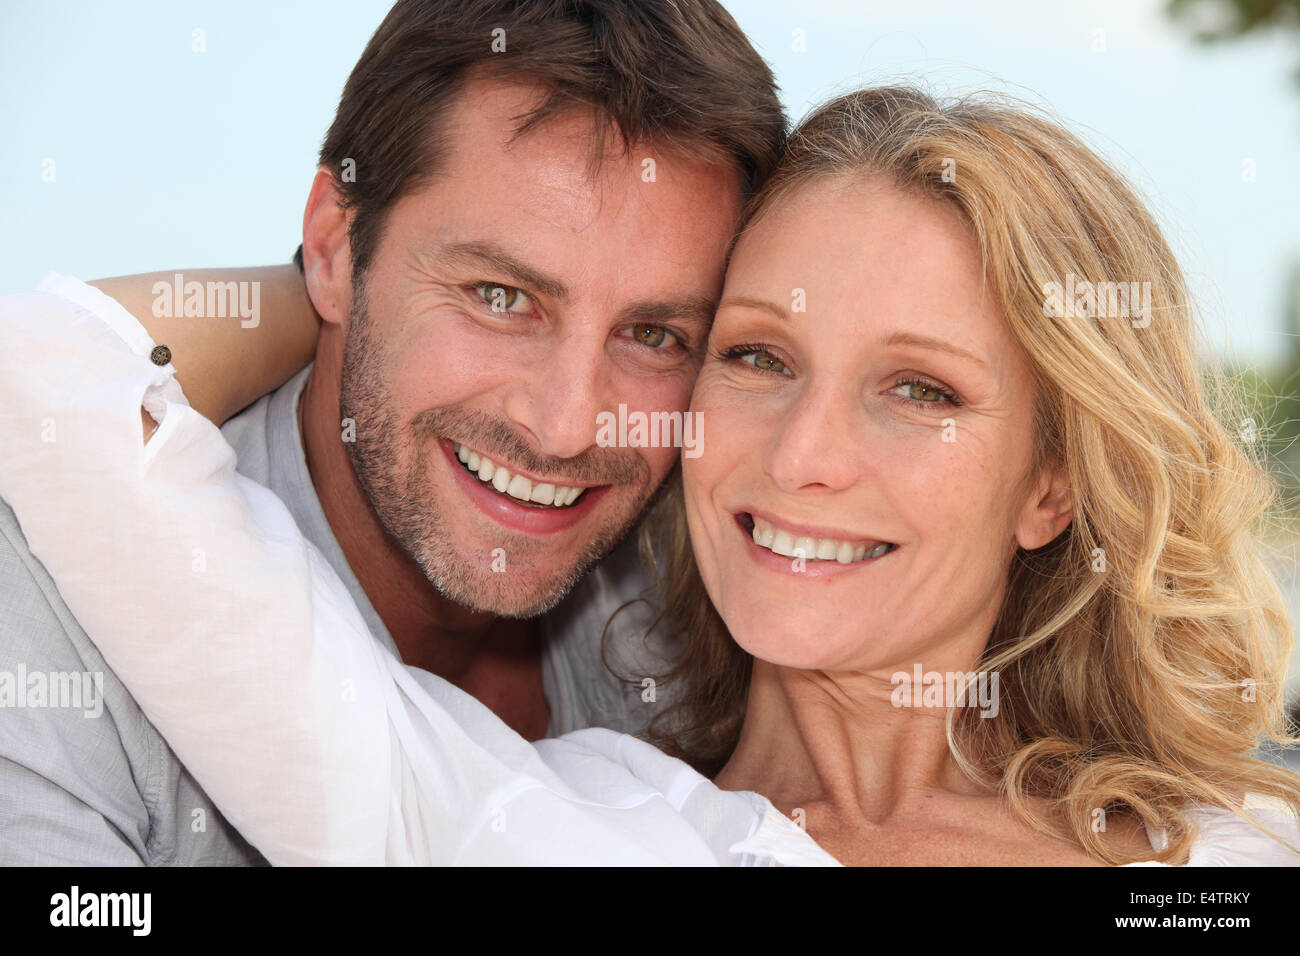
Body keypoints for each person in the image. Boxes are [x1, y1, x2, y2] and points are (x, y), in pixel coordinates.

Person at [4, 85, 1299, 865]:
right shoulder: (532, 824)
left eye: (921, 390)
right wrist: (349, 280)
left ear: (1051, 488)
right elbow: (55, 373)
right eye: (755, 356)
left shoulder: (1223, 841)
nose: (804, 457)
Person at [0, 0, 786, 865]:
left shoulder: (701, 626)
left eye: (653, 336)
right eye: (499, 296)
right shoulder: (48, 597)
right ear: (333, 246)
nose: (567, 427)